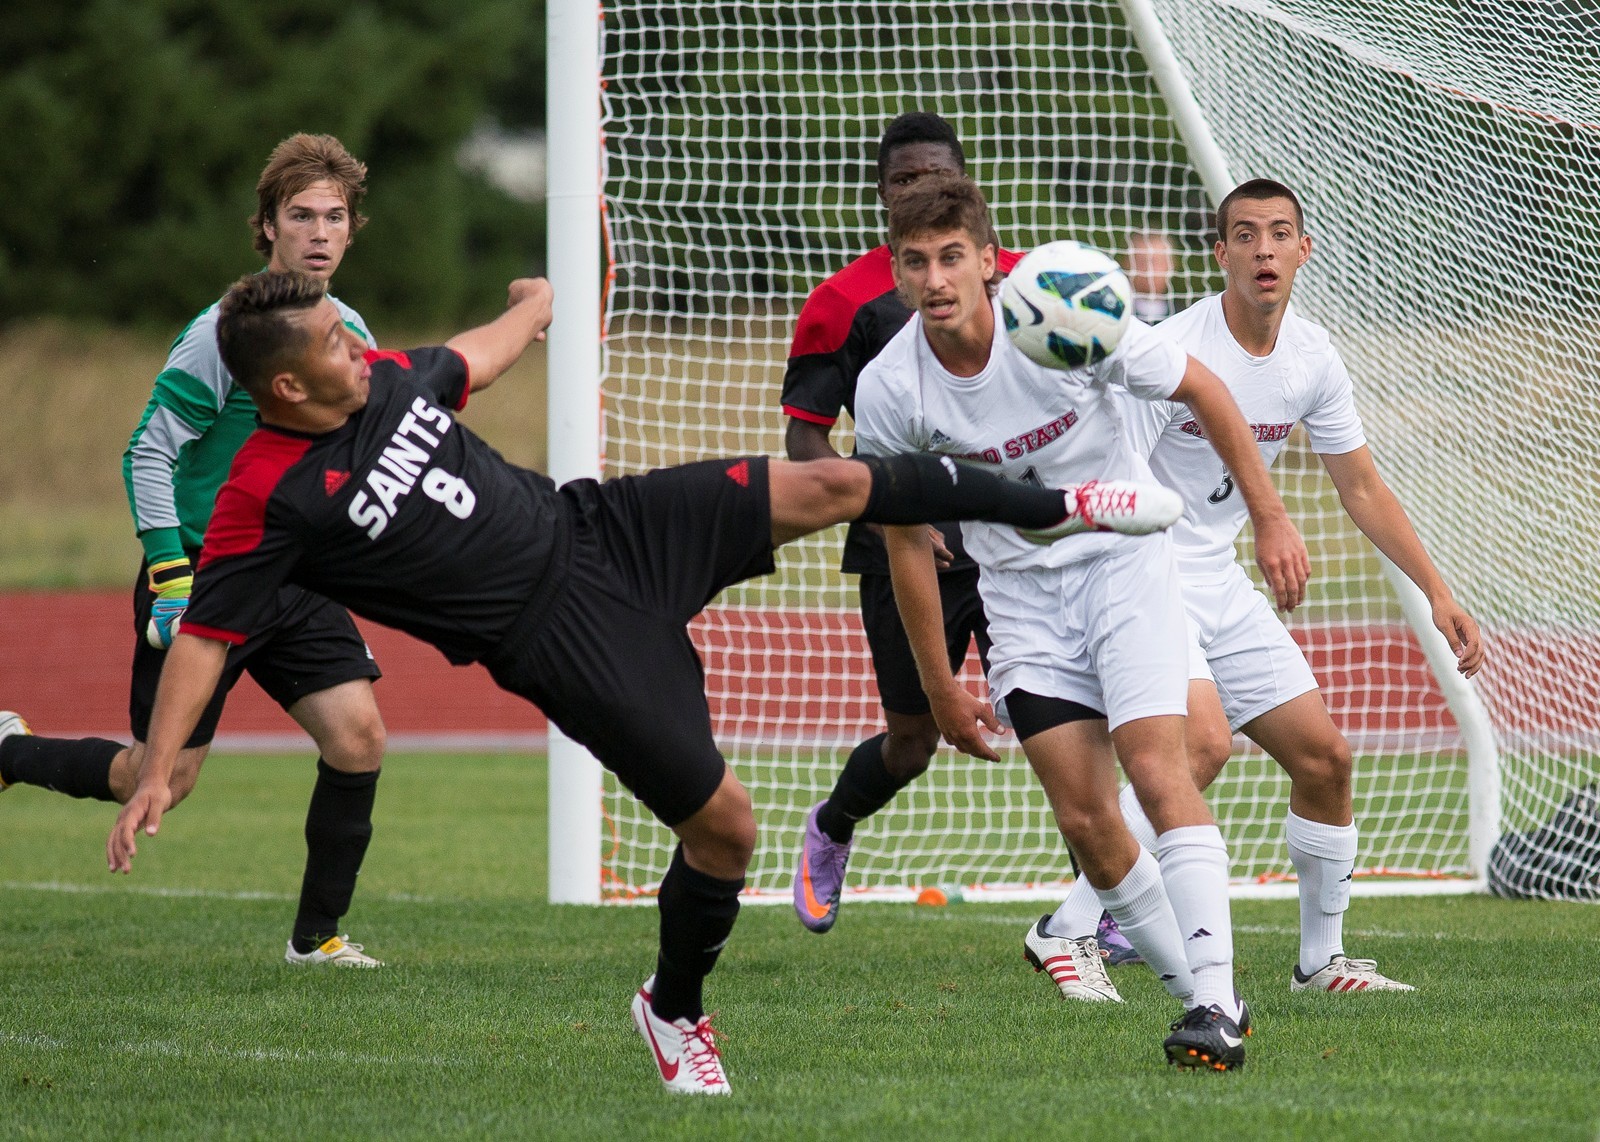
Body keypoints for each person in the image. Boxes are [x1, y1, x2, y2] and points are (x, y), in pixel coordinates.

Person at [104, 268, 1178, 1095]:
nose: (359, 343)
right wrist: (157, 763)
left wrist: (533, 307)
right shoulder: (264, 500)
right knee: (727, 827)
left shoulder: (381, 380)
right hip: (563, 641)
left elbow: (469, 359)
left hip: (605, 527)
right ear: (286, 384)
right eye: (337, 341)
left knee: (836, 480)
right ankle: (674, 1011)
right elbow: (205, 634)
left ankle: (1064, 505)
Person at [855, 172, 1312, 1070]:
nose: (937, 278)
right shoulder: (887, 391)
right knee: (1088, 822)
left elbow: (1207, 391)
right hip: (1021, 604)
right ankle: (1204, 1006)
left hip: (1123, 565)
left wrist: (1269, 516)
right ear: (898, 273)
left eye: (954, 257)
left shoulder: (1065, 319)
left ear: (989, 262)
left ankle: (1216, 997)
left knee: (1161, 764)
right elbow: (906, 544)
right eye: (916, 263)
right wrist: (941, 688)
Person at [1038, 178, 1485, 993]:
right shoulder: (1173, 347)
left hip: (1218, 577)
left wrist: (1436, 591)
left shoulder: (1312, 357)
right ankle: (1067, 930)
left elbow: (1362, 488)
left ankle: (1320, 963)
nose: (1264, 249)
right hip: (1143, 569)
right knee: (1202, 743)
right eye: (1244, 235)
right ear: (1222, 255)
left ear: (1304, 250)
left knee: (1326, 760)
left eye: (1280, 233)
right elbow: (1115, 472)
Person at [0, 134, 388, 968]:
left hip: (295, 576)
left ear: (353, 230)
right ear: (267, 227)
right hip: (204, 576)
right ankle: (8, 749)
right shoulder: (224, 335)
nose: (318, 232)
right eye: (300, 215)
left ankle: (316, 942)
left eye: (334, 216)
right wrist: (173, 578)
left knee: (357, 738)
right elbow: (147, 452)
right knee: (163, 780)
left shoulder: (351, 330)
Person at [784, 112, 1022, 933]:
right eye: (902, 181)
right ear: (882, 195)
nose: (918, 191)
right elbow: (805, 434)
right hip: (897, 546)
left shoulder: (1024, 288)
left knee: (1062, 714)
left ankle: (1101, 912)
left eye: (934, 178)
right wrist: (890, 506)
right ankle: (832, 827)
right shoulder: (843, 302)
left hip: (1012, 548)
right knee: (913, 741)